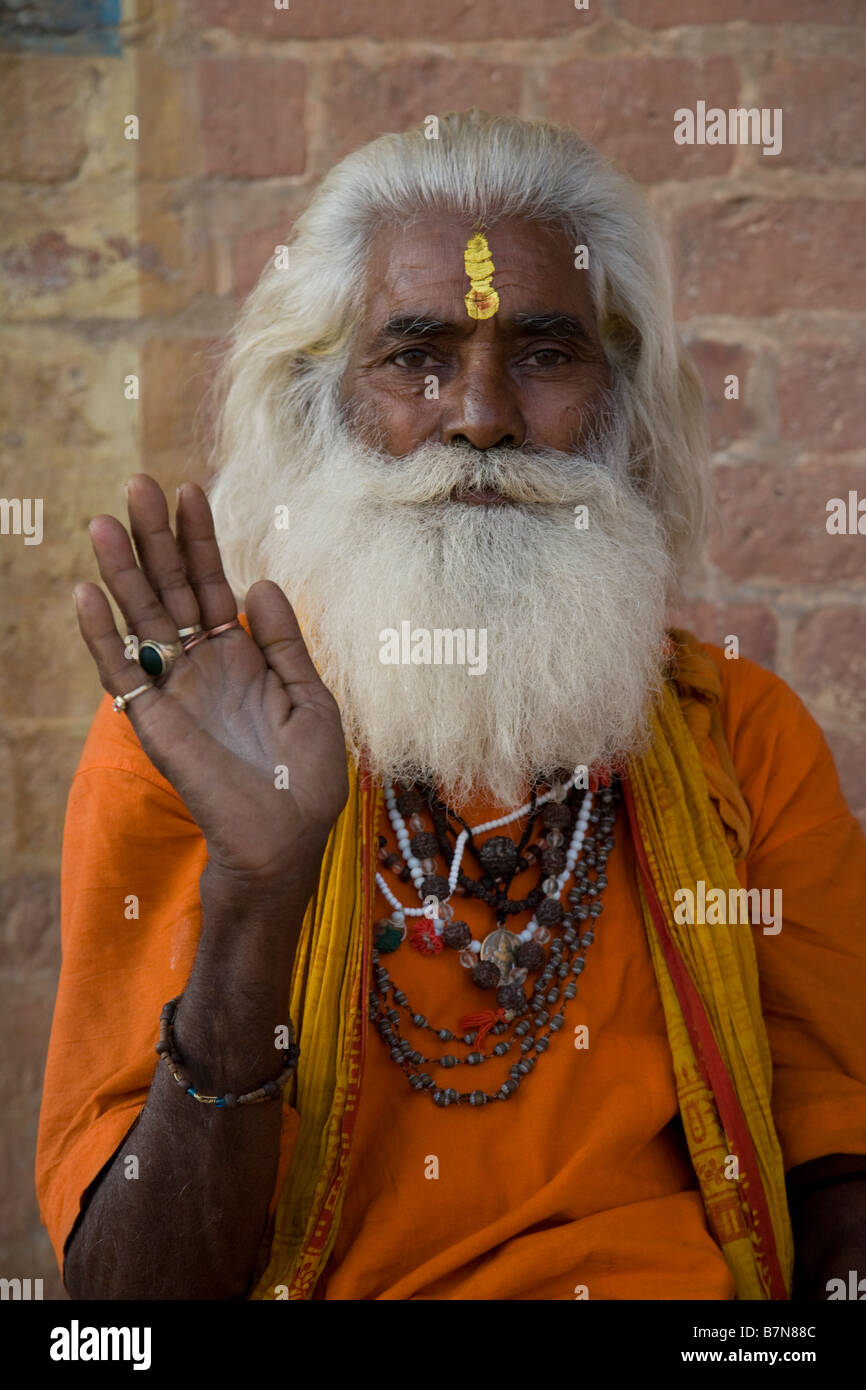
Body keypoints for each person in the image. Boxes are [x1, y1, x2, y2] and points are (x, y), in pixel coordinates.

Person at [36, 111, 866, 1301]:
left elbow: (834, 1158)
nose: (478, 415)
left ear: (620, 405)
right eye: (413, 355)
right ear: (320, 406)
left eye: (542, 353)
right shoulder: (184, 757)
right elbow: (127, 1306)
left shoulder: (737, 733)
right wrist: (257, 892)